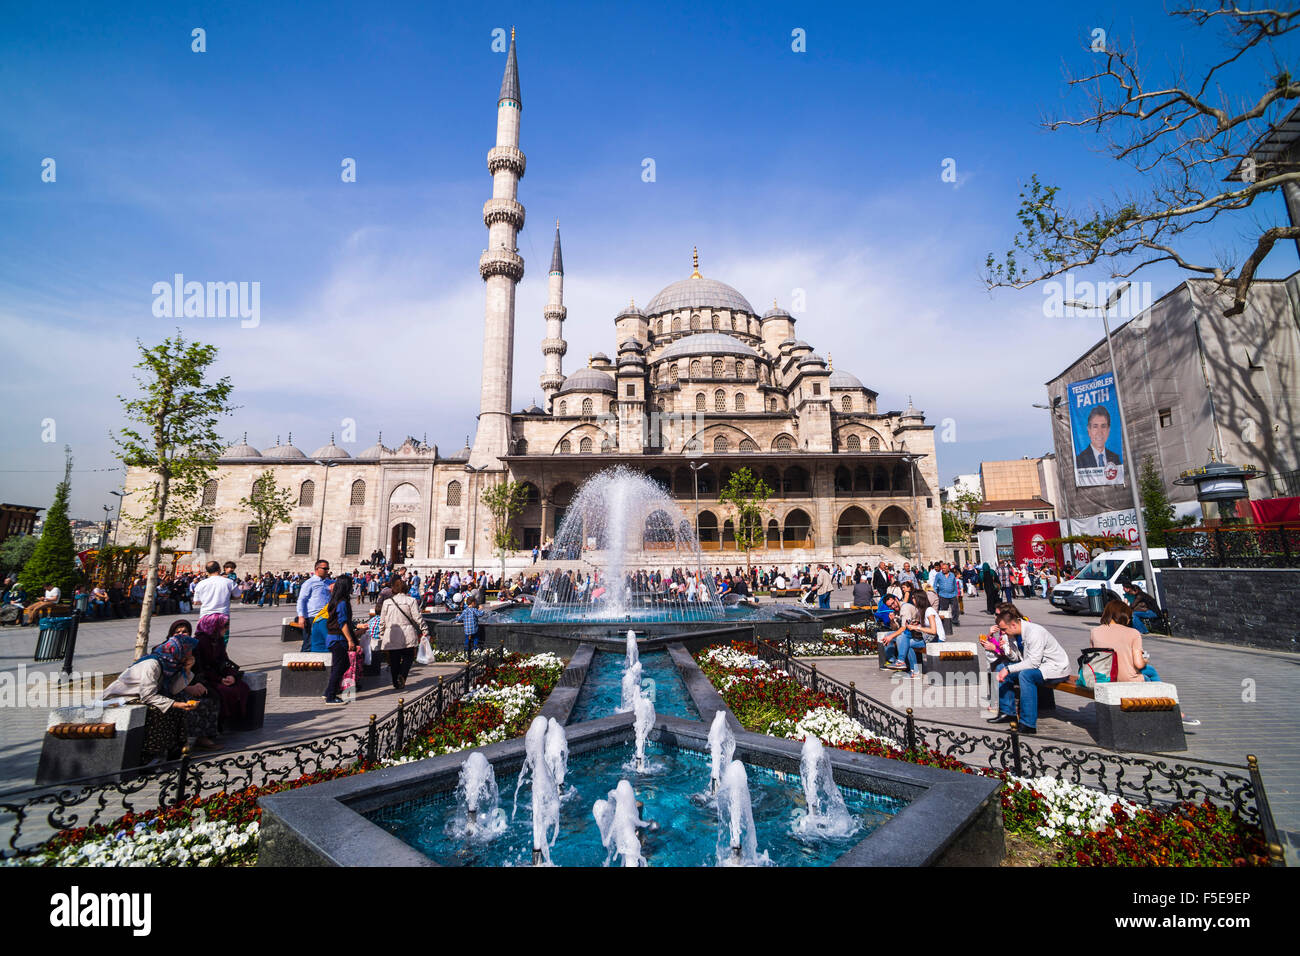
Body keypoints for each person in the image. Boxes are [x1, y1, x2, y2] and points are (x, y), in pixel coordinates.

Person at [102, 627, 213, 761]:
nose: (191, 654)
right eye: (189, 651)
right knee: (156, 710)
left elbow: (173, 690)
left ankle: (174, 749)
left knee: (177, 703)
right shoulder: (152, 664)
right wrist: (176, 704)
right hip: (120, 698)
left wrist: (187, 670)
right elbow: (148, 696)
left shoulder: (171, 664)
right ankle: (149, 755)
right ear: (179, 650)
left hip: (139, 696)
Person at [1091, 600, 1199, 725]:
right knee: (1149, 674)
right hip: (1126, 678)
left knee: (1150, 671)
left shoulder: (1095, 631)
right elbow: (1139, 664)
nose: (1130, 620)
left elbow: (1095, 657)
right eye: (1129, 617)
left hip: (1103, 676)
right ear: (1124, 615)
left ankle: (1171, 707)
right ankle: (1173, 710)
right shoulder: (1133, 633)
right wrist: (1145, 659)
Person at [986, 605, 1070, 734]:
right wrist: (1007, 650)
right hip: (1040, 667)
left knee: (1026, 675)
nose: (1003, 632)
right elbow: (1016, 658)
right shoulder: (1013, 633)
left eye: (1004, 629)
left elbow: (1033, 663)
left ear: (1013, 625)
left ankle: (1027, 724)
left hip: (1055, 668)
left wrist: (1008, 669)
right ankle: (1007, 712)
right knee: (1000, 667)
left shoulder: (1034, 632)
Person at [190, 614, 250, 732]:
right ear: (214, 627)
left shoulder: (218, 640)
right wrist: (219, 679)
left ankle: (236, 721)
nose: (226, 630)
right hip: (205, 678)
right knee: (223, 692)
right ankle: (220, 724)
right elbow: (200, 668)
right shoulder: (200, 642)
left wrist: (231, 675)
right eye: (224, 627)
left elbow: (224, 660)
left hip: (219, 675)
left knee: (242, 687)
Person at [377, 578, 427, 690]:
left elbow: (382, 621)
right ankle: (403, 675)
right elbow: (417, 617)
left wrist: (382, 634)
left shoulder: (387, 602)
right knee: (408, 656)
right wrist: (424, 629)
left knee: (394, 659)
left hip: (392, 634)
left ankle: (396, 682)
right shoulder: (411, 600)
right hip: (407, 633)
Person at [318, 574, 357, 704]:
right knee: (339, 666)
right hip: (338, 638)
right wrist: (350, 640)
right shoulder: (342, 603)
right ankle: (330, 696)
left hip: (334, 638)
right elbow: (342, 622)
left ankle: (328, 692)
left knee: (342, 664)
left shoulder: (335, 601)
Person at [192, 561, 241, 642]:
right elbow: (238, 596)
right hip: (222, 615)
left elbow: (196, 602)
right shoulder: (229, 582)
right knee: (222, 641)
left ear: (207, 572)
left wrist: (207, 600)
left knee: (204, 640)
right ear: (219, 569)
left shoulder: (201, 584)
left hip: (205, 615)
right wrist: (227, 597)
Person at [297, 559, 333, 653]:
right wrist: (301, 616)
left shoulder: (328, 582)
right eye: (325, 569)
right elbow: (301, 600)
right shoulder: (309, 583)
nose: (327, 571)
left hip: (325, 616)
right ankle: (303, 659)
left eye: (328, 569)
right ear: (317, 569)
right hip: (312, 616)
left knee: (321, 641)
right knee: (309, 642)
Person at [1075, 404, 1123, 471]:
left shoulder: (1115, 458)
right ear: (1089, 430)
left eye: (1103, 426)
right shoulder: (1079, 460)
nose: (1099, 432)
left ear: (1108, 430)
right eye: (1095, 426)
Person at [932, 561, 960, 626]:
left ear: (948, 569)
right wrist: (935, 593)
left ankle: (955, 621)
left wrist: (957, 594)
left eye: (944, 568)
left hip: (952, 595)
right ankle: (944, 622)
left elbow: (955, 585)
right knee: (944, 610)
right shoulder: (938, 575)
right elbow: (935, 585)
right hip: (943, 595)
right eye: (942, 568)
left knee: (955, 609)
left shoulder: (952, 575)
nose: (943, 570)